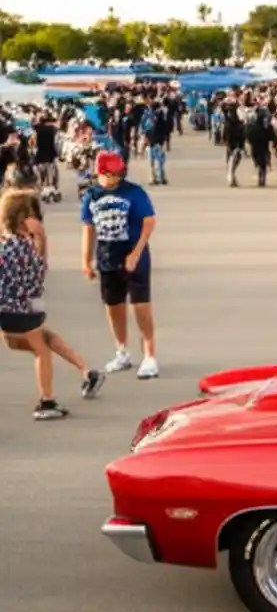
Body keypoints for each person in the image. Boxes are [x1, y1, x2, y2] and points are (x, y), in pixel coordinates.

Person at [2, 189, 104, 419]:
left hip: (13, 308)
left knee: (44, 340)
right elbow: (38, 273)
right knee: (40, 350)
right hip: (22, 308)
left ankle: (87, 371)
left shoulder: (8, 243)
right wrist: (42, 239)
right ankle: (47, 401)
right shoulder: (22, 246)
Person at [80, 151, 160, 379]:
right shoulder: (91, 196)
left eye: (120, 172)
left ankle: (149, 355)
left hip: (134, 256)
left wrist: (136, 253)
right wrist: (85, 260)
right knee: (113, 306)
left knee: (141, 306)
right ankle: (122, 351)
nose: (118, 176)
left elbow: (149, 222)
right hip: (107, 257)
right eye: (114, 173)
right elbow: (88, 228)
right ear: (102, 172)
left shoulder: (134, 192)